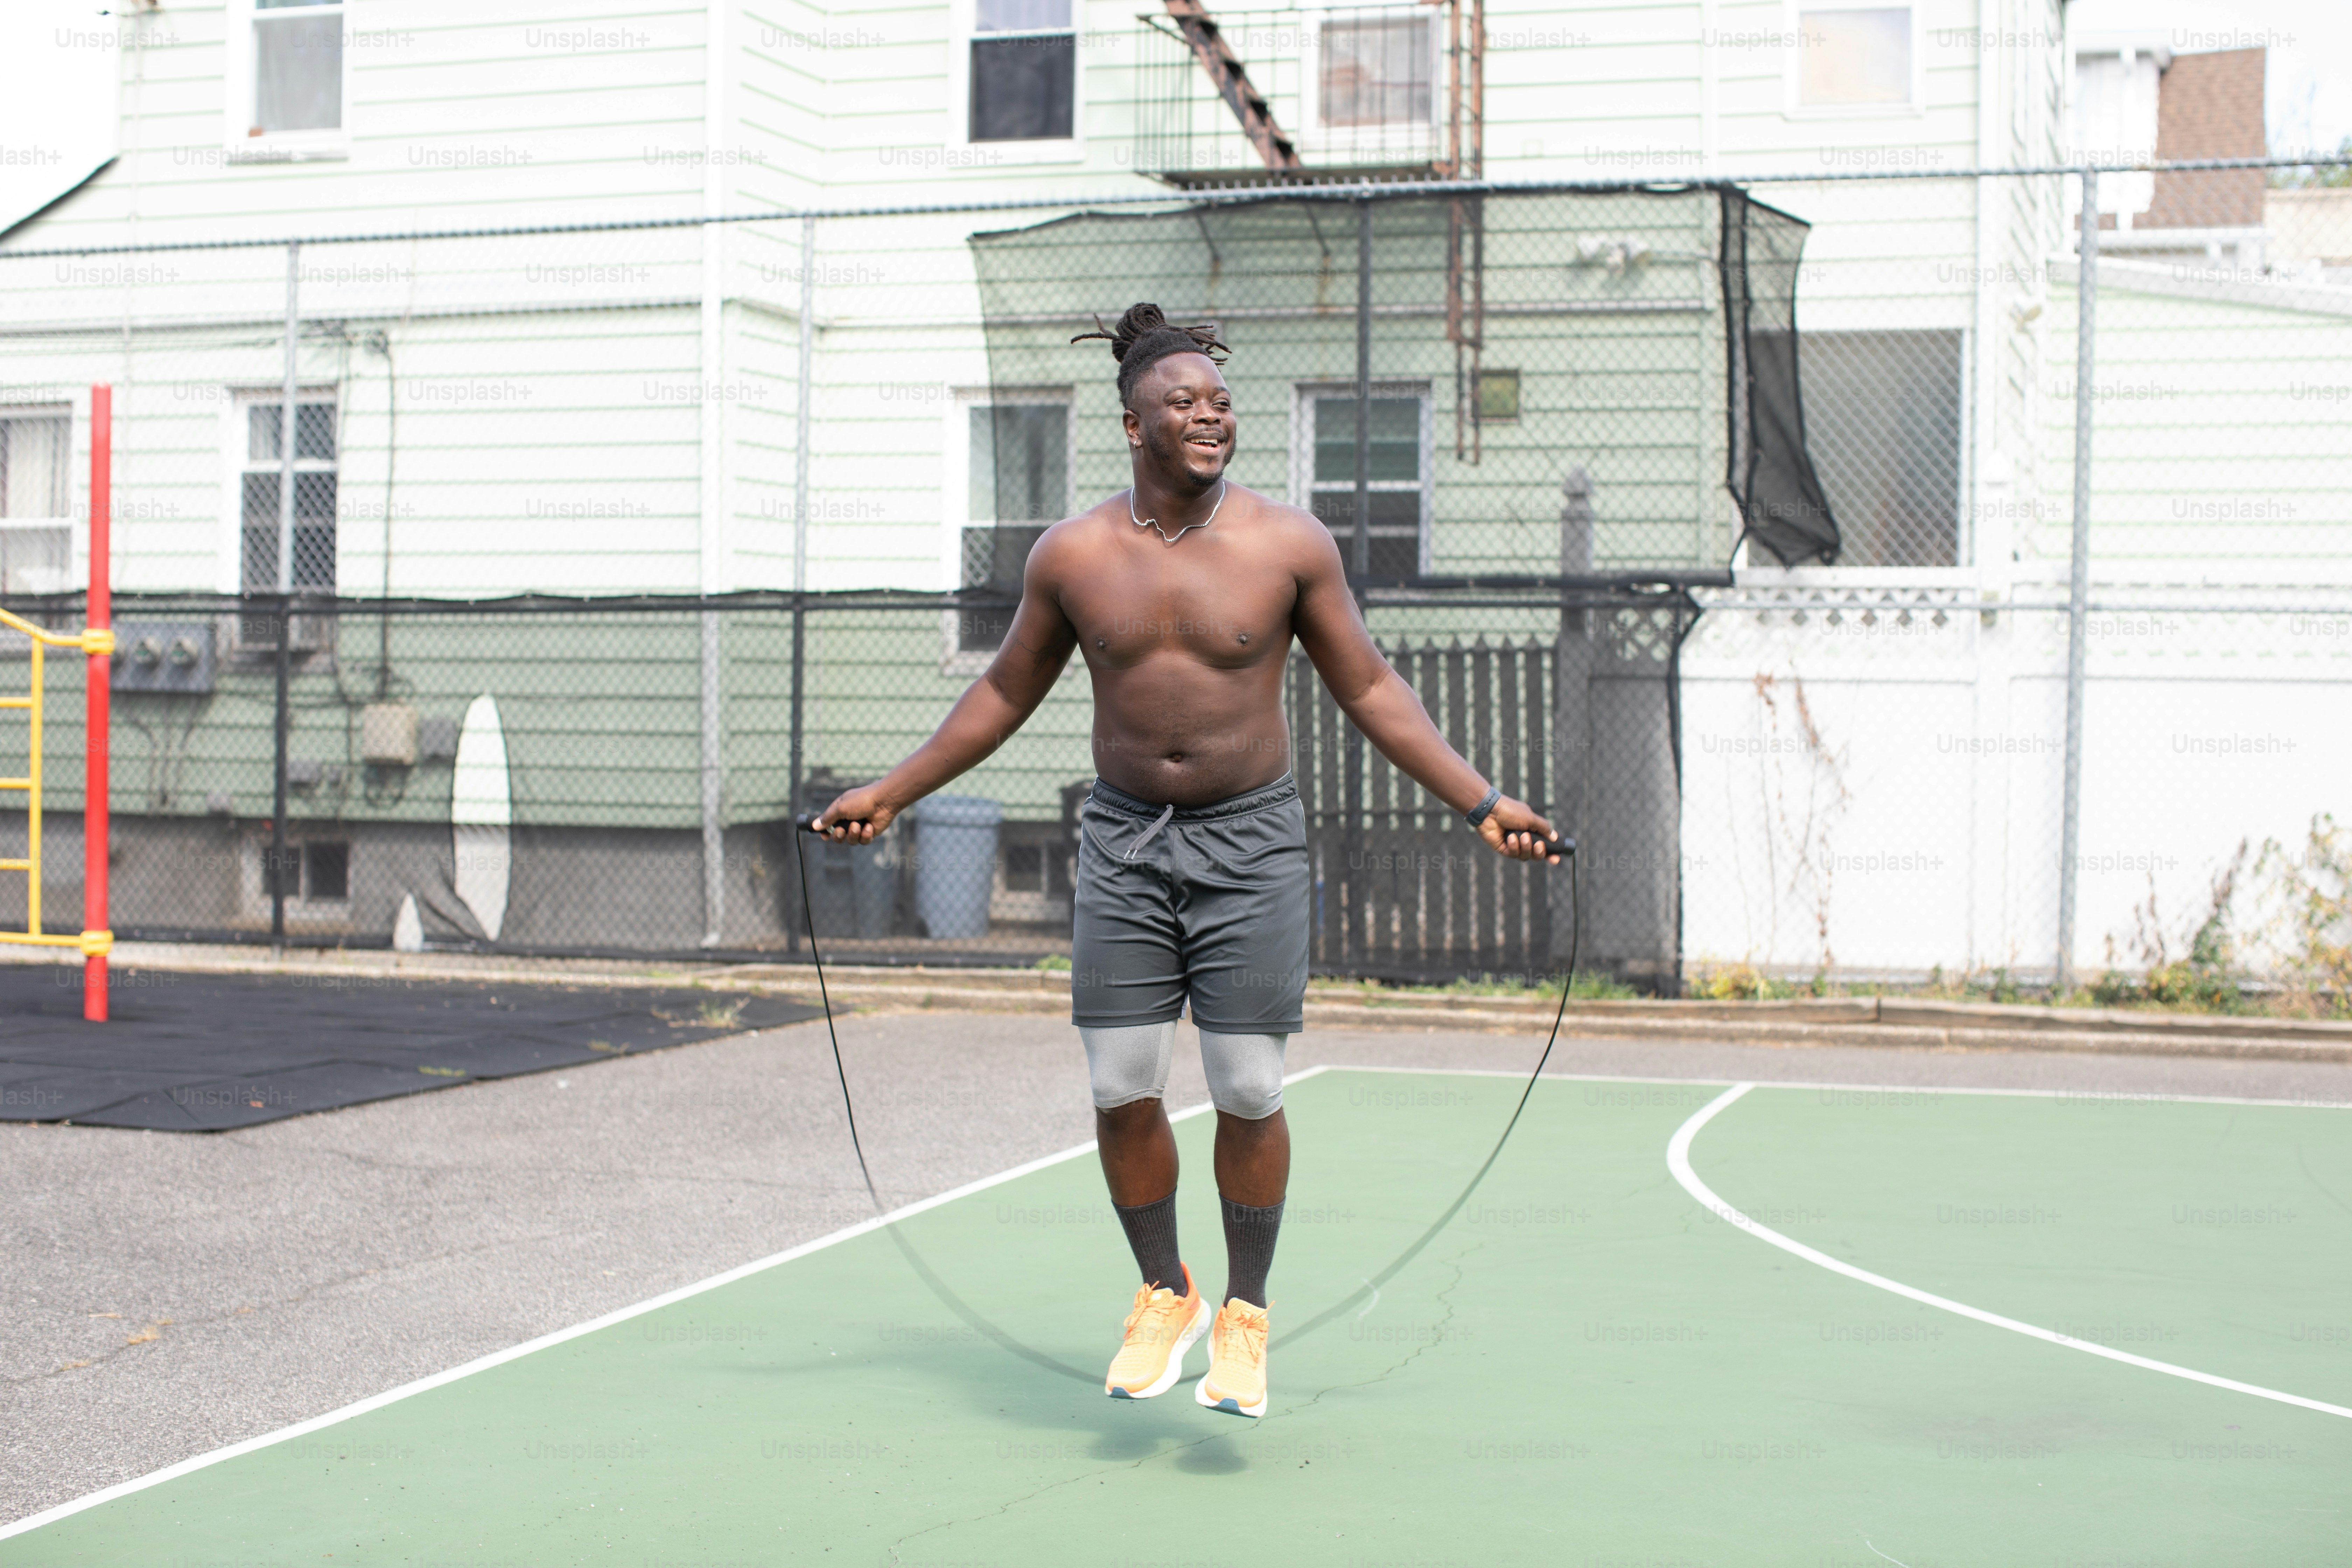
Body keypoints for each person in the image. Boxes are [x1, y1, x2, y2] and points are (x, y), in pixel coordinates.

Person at [818, 302, 1559, 1420]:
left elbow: (1369, 687)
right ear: (1132, 425)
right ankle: (1165, 1289)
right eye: (1185, 402)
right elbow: (1007, 690)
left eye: (1220, 401)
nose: (1210, 415)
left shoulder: (1288, 544)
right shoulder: (1072, 555)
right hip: (1124, 842)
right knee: (1121, 1086)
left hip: (1252, 839)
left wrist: (1481, 802)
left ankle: (1246, 1317)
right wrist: (891, 790)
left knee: (1250, 1084)